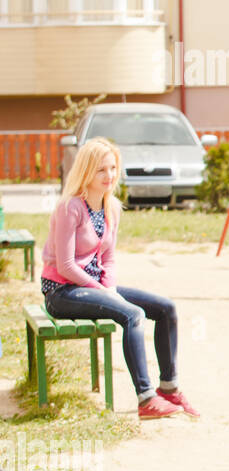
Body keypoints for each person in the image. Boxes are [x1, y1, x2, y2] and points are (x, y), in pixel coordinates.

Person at [41, 138, 196, 420]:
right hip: (62, 291)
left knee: (166, 308)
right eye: (101, 169)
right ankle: (146, 399)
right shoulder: (69, 208)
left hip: (93, 286)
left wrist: (109, 288)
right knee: (133, 314)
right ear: (86, 171)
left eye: (113, 168)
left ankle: (169, 388)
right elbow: (64, 267)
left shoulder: (111, 208)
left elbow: (108, 259)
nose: (109, 175)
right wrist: (104, 291)